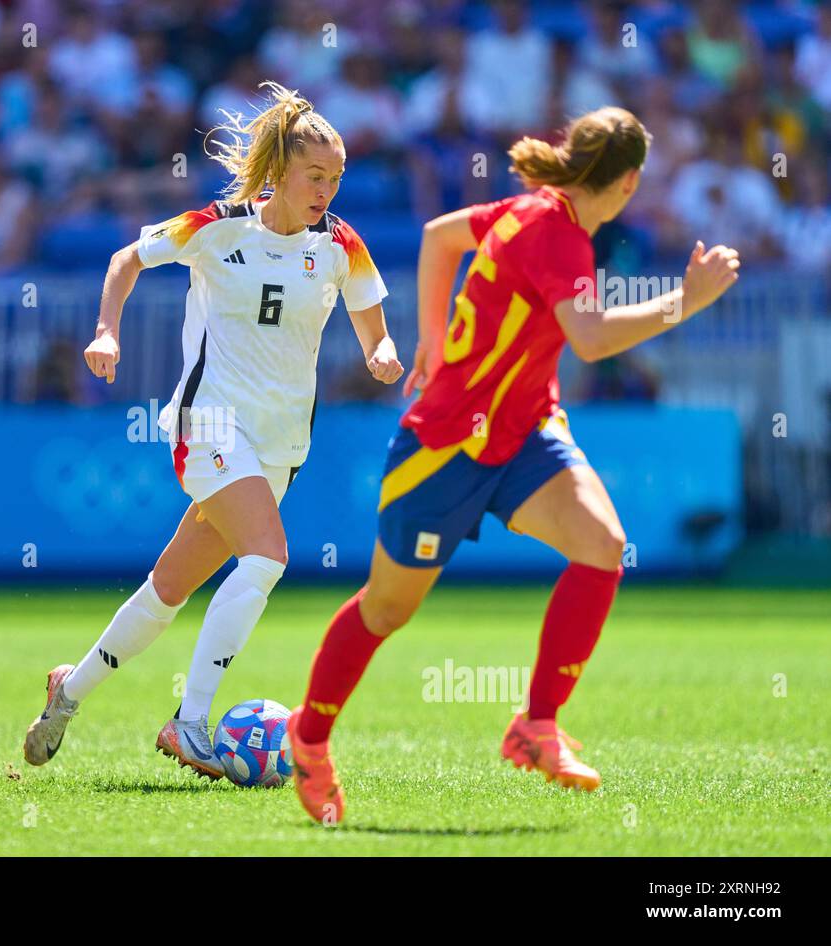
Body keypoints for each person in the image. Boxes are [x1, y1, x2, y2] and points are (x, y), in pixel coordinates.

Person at [286, 106, 741, 824]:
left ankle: (536, 725)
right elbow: (588, 339)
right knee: (384, 610)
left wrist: (432, 340)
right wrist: (687, 301)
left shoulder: (535, 212)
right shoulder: (555, 235)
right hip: (444, 446)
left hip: (526, 430)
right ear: (626, 184)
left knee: (602, 549)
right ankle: (307, 739)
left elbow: (439, 239)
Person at [23, 82, 402, 779]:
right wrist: (106, 332)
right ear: (281, 173)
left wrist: (380, 351)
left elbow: (372, 321)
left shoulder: (341, 244)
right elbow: (124, 261)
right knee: (267, 556)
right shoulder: (217, 224)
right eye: (316, 176)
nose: (327, 190)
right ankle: (189, 723)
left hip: (283, 441)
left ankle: (67, 691)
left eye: (336, 178)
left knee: (167, 589)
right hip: (210, 421)